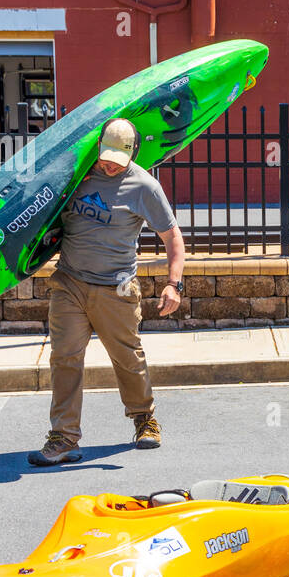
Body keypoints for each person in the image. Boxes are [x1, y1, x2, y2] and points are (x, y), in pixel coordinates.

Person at [29, 118, 186, 466]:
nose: (109, 163)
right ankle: (64, 437)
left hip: (116, 288)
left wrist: (173, 284)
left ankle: (144, 418)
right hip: (69, 282)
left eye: (118, 157)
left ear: (132, 154)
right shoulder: (77, 176)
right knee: (64, 358)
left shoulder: (144, 186)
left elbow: (173, 238)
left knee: (127, 358)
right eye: (105, 154)